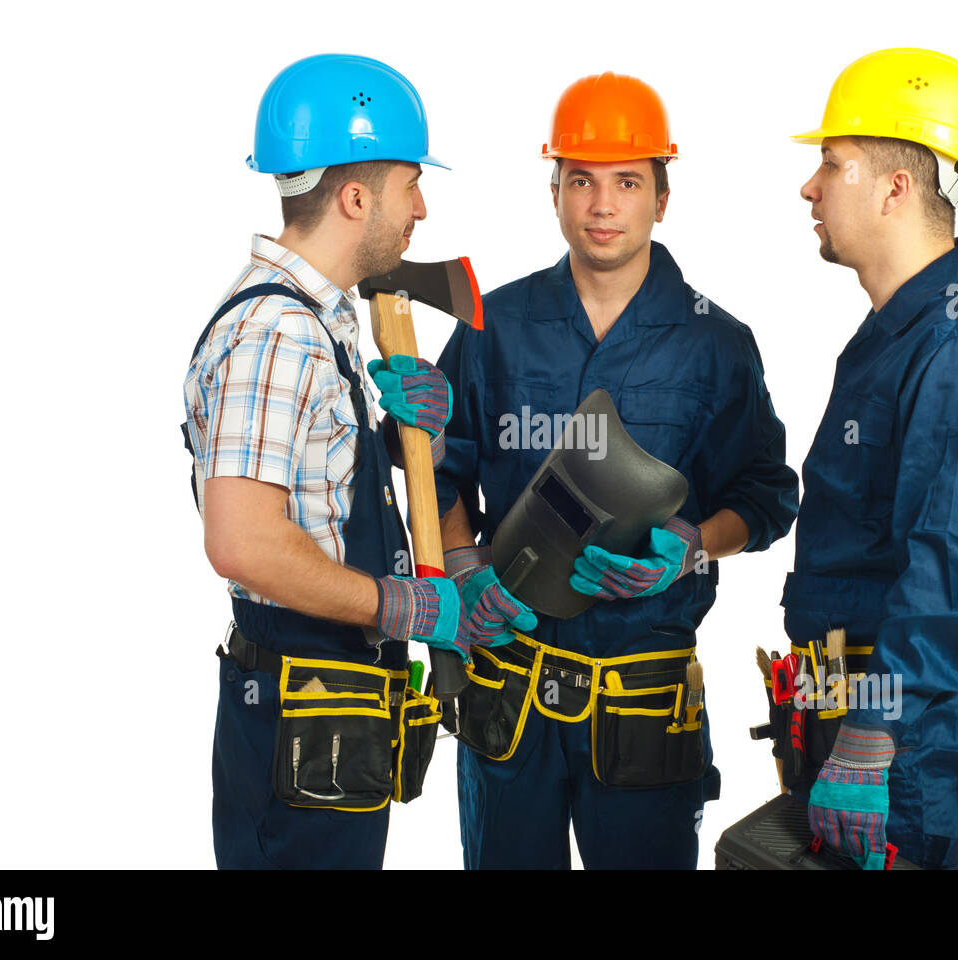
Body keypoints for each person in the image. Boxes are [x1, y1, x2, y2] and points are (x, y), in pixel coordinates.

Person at [434, 72, 800, 869]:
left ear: (661, 198)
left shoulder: (716, 343)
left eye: (627, 182)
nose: (602, 205)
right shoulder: (493, 325)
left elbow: (768, 493)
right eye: (581, 181)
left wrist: (696, 541)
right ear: (555, 193)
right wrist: (461, 563)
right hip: (511, 690)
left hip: (643, 702)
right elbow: (435, 466)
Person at [181, 53, 471, 869]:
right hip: (297, 708)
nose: (421, 207)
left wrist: (404, 447)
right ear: (355, 197)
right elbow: (240, 541)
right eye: (410, 183)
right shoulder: (275, 335)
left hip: (334, 712)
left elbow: (317, 496)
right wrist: (400, 606)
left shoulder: (321, 323)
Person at [782, 48, 958, 870]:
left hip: (900, 742)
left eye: (832, 165)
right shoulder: (897, 336)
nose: (809, 188)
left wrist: (869, 733)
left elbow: (956, 562)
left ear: (897, 187)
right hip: (849, 711)